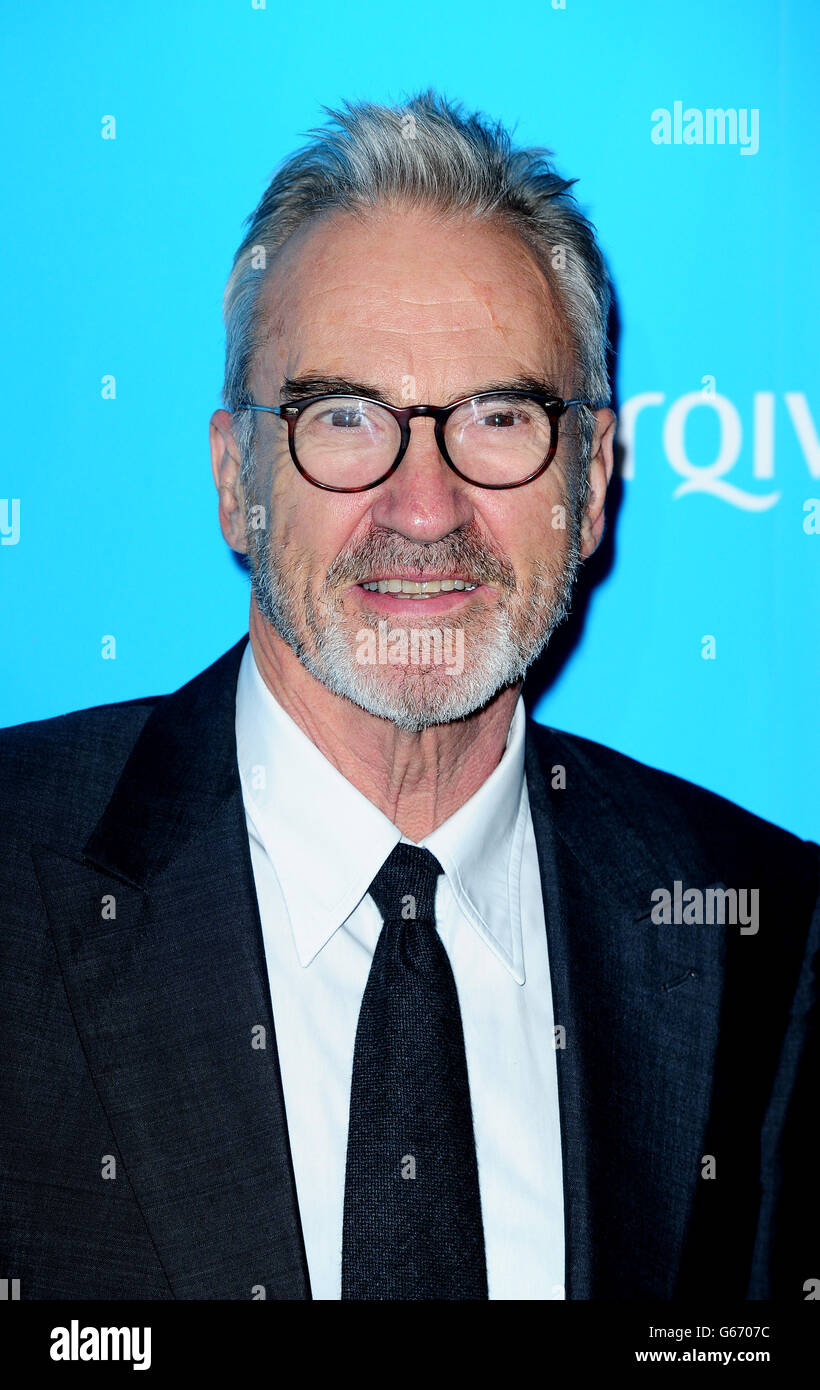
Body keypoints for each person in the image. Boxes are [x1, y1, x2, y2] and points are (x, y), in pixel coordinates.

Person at [1, 92, 816, 1301]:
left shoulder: (772, 932)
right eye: (344, 418)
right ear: (237, 482)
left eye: (498, 418)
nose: (423, 507)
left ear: (589, 490)